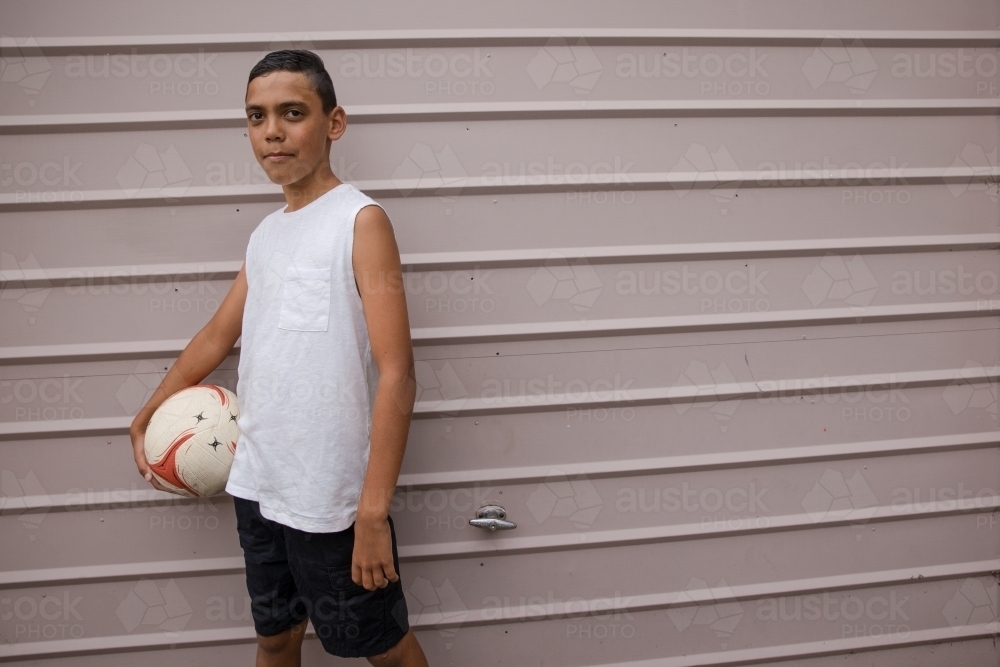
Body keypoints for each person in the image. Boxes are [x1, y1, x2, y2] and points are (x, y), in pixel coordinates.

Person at [129, 49, 429, 667]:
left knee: (383, 648)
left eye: (292, 113)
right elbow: (218, 333)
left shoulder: (359, 220)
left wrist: (371, 514)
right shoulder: (267, 234)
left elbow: (397, 373)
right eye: (256, 116)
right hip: (258, 481)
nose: (272, 131)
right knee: (275, 637)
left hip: (329, 498)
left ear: (333, 123)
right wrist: (150, 410)